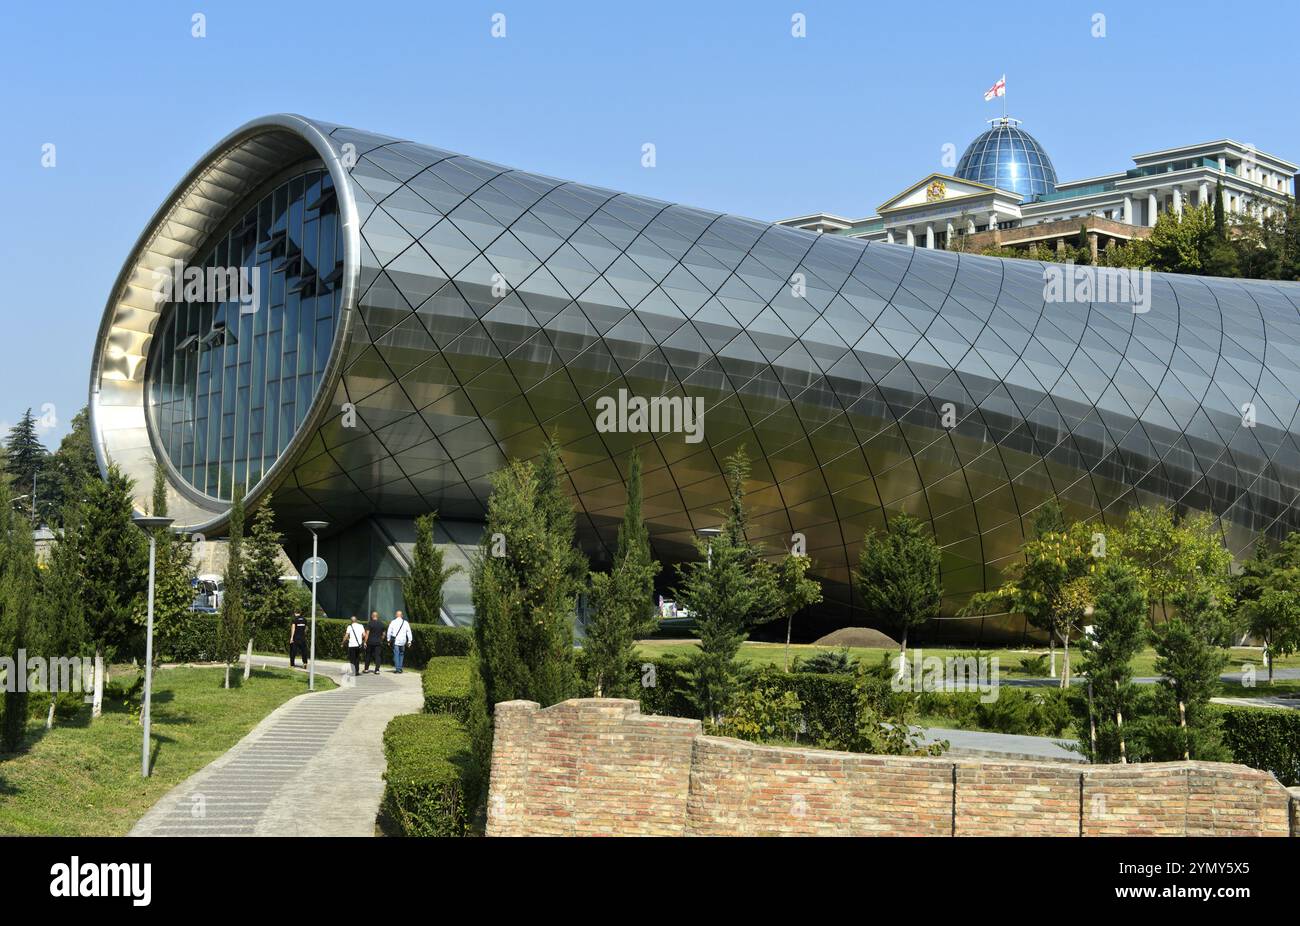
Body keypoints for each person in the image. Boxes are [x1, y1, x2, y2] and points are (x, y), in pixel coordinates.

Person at [387, 609, 413, 674]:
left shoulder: (393, 622)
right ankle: (400, 668)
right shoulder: (406, 623)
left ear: (396, 615)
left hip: (396, 641)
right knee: (401, 654)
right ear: (402, 615)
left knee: (396, 654)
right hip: (403, 641)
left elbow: (389, 632)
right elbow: (409, 632)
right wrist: (409, 641)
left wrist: (388, 640)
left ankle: (398, 669)